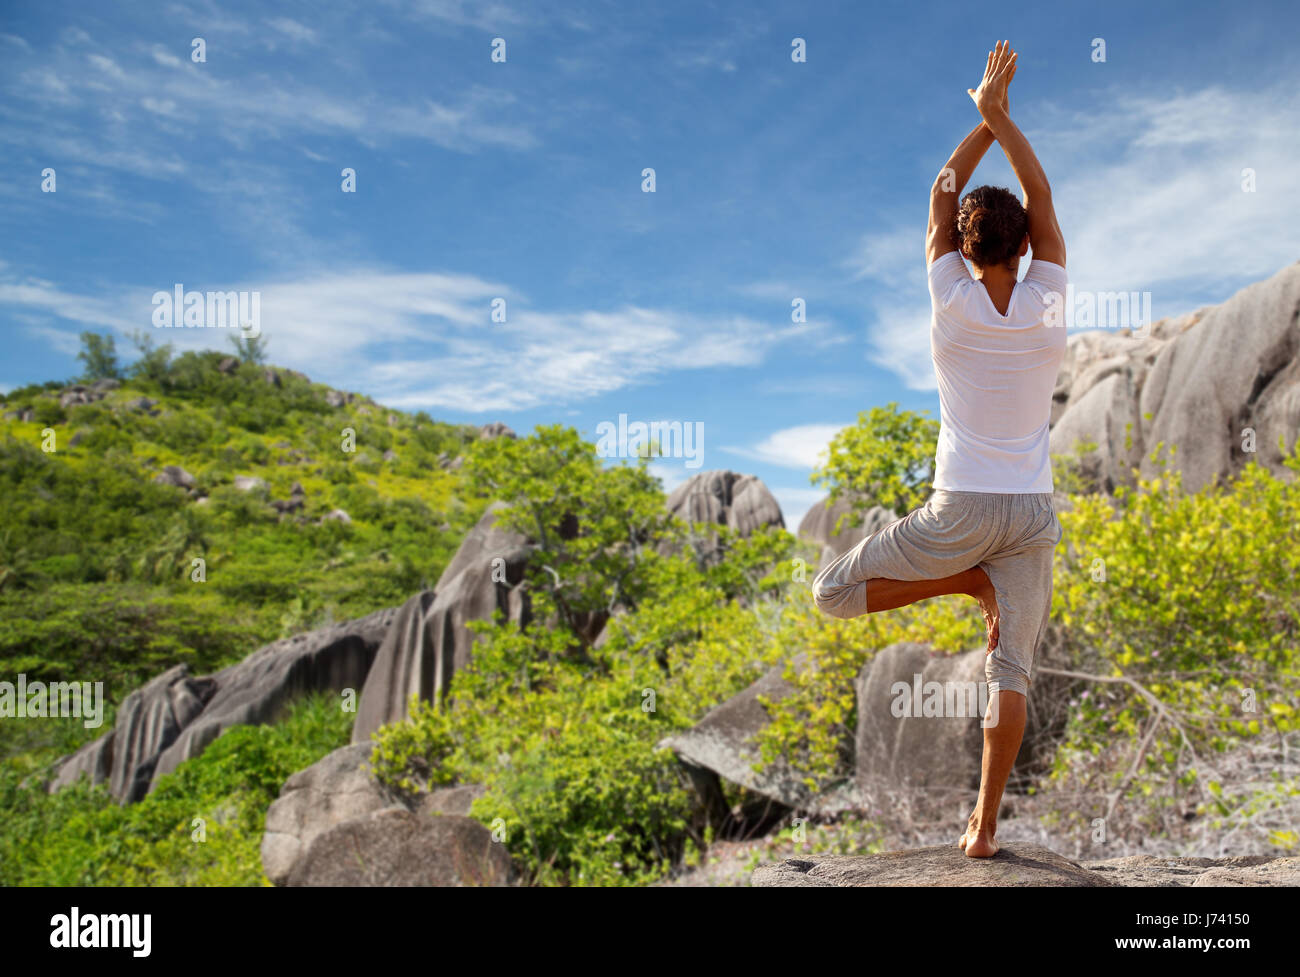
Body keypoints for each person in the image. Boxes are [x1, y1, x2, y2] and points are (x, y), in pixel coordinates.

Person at [811, 41, 1067, 858]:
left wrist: (980, 120)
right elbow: (1043, 194)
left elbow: (940, 192)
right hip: (1029, 513)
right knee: (1012, 672)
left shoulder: (948, 297)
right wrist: (1004, 118)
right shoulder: (1047, 300)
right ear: (1024, 250)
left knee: (830, 591)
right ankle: (985, 828)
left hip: (958, 509)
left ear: (962, 248)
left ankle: (964, 583)